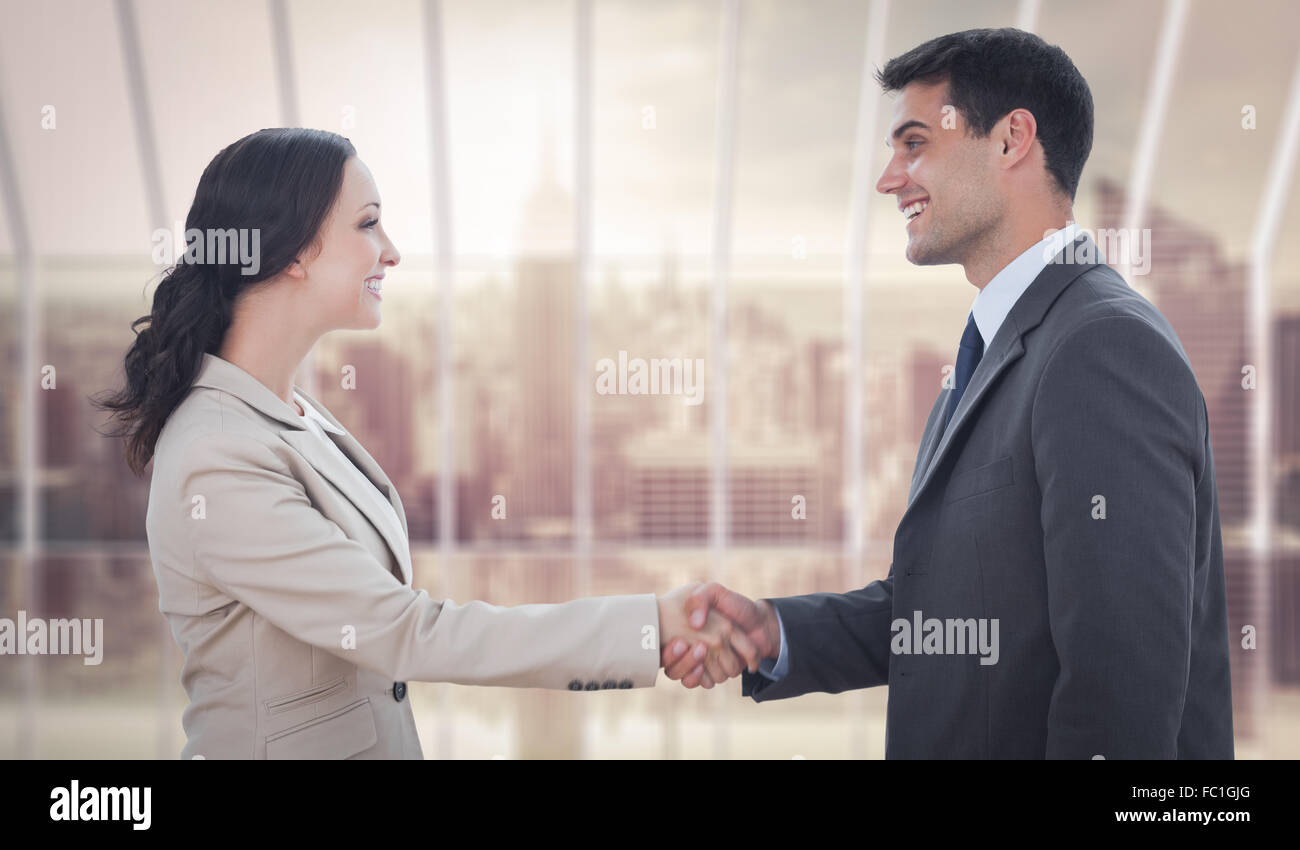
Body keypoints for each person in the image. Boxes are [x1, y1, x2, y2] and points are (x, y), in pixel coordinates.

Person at [662, 27, 1234, 759]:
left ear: (1010, 141)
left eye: (915, 143)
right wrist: (773, 632)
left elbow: (1120, 692)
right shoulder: (990, 362)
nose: (889, 178)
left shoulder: (1101, 349)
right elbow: (942, 619)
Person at [94, 128, 756, 759]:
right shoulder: (219, 453)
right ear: (294, 251)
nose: (390, 249)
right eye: (366, 223)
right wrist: (650, 625)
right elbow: (407, 632)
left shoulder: (293, 414)